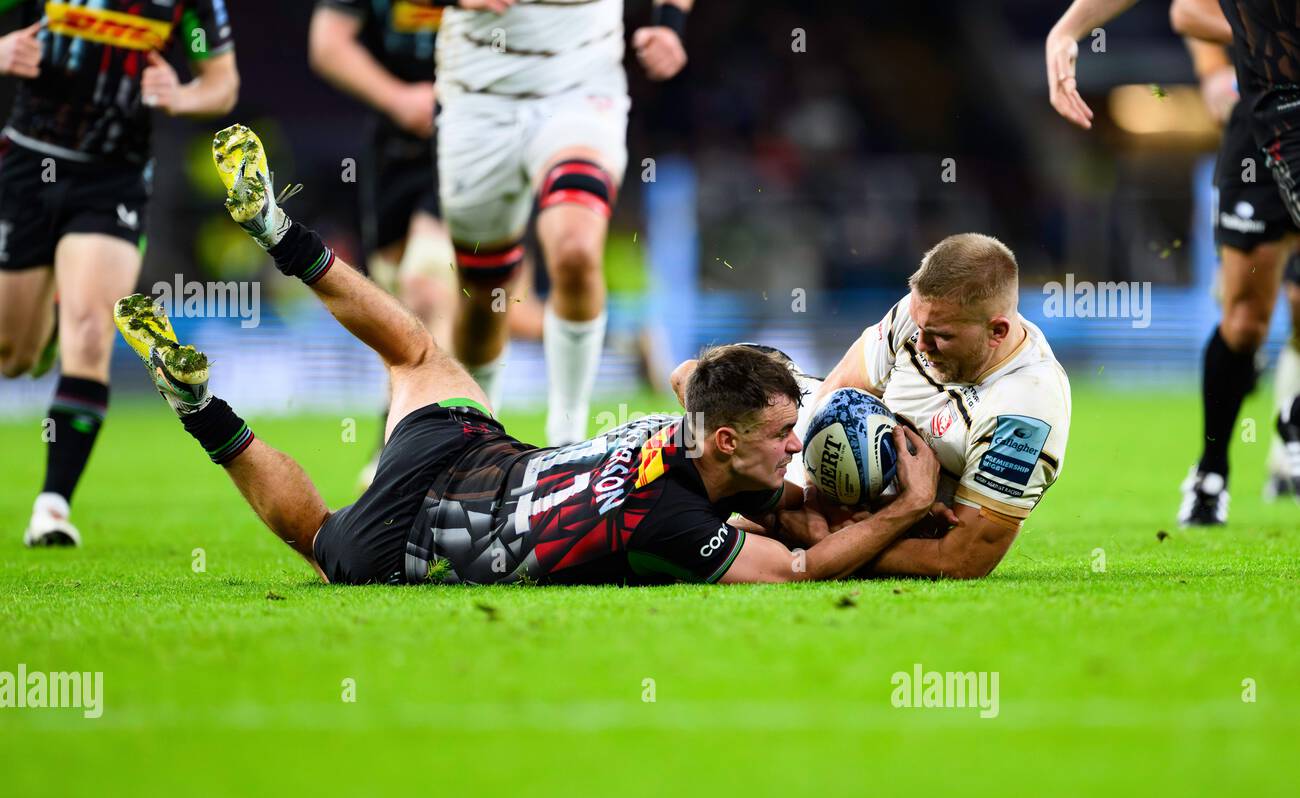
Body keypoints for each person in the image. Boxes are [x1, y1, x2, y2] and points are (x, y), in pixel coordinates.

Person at [112, 124, 944, 587]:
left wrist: (799, 480)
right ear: (724, 442)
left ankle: (280, 234)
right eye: (784, 437)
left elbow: (708, 391)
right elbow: (795, 571)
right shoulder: (676, 522)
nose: (794, 449)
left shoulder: (682, 424)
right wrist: (903, 511)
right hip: (417, 545)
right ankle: (199, 409)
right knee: (323, 535)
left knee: (415, 351)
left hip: (466, 450)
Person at [673, 235, 1073, 579]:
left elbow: (963, 557)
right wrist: (816, 500)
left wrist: (835, 542)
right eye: (918, 326)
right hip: (817, 465)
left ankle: (726, 507)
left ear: (996, 331)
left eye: (939, 337)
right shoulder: (922, 316)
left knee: (723, 530)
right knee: (692, 376)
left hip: (882, 516)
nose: (920, 343)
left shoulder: (1025, 409)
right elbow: (836, 393)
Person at [1045, 0, 1300, 515]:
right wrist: (1069, 28)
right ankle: (1212, 470)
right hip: (1263, 122)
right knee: (1246, 316)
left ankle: (1291, 427)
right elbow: (1187, 12)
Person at [0, 0, 239, 546]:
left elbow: (221, 84)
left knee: (90, 332)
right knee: (13, 355)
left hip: (114, 180)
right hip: (26, 166)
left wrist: (180, 96)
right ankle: (45, 324)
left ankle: (52, 507)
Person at [435, 0, 693, 445]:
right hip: (479, 95)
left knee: (575, 249)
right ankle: (475, 441)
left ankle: (565, 442)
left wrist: (670, 23)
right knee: (484, 293)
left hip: (581, 86)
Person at [307, 0, 540, 486]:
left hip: (476, 132)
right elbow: (328, 44)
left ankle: (428, 449)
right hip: (394, 142)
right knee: (394, 303)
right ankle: (423, 438)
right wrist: (398, 98)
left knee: (426, 285)